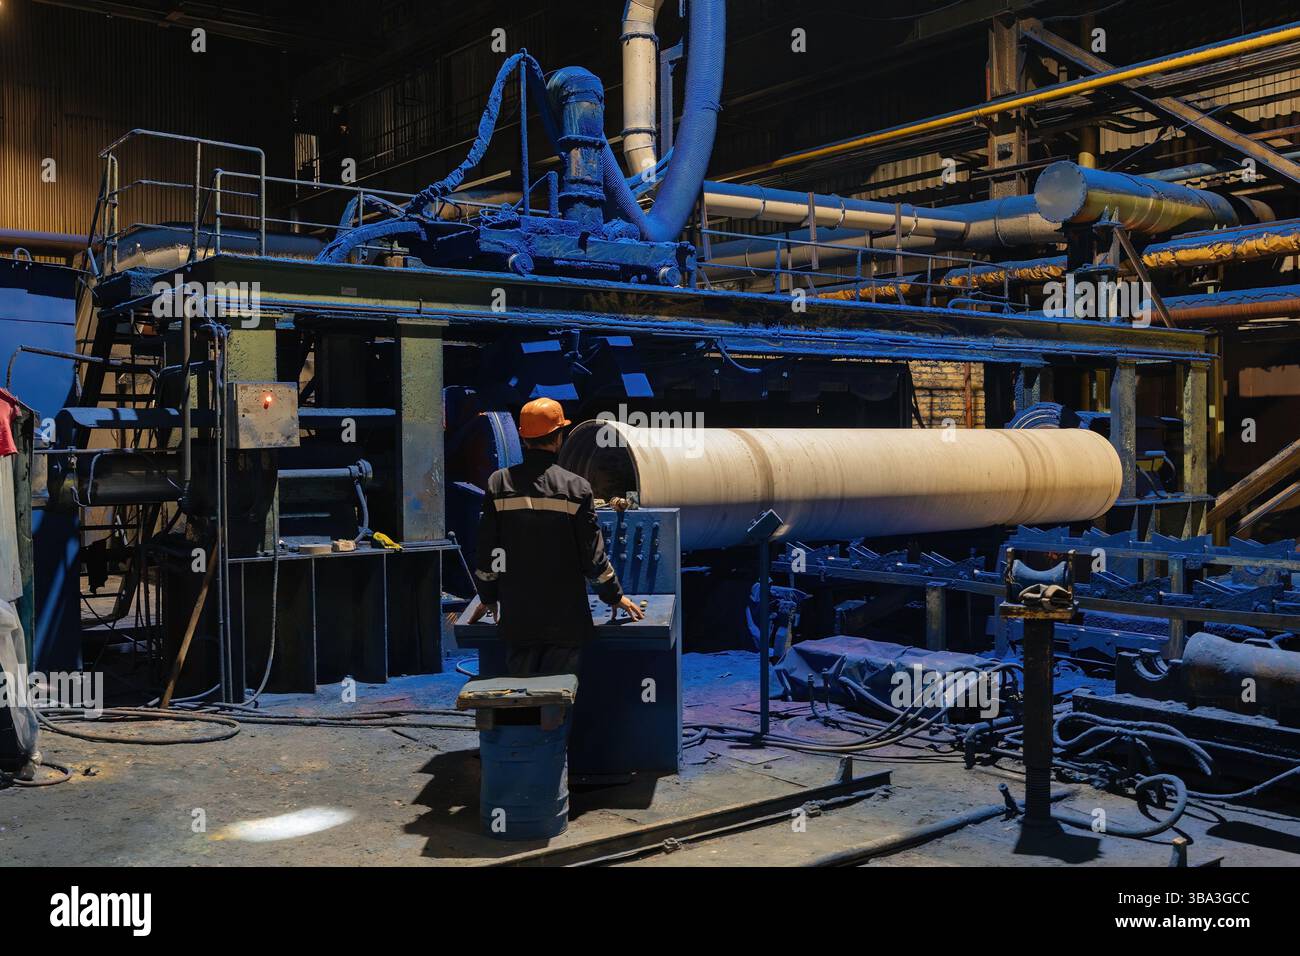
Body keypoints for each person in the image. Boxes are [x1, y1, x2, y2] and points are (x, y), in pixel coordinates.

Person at [468, 398, 643, 676]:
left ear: (523, 438)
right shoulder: (577, 488)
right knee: (559, 690)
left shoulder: (499, 484)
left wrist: (488, 597)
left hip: (518, 619)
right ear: (559, 437)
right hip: (565, 621)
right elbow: (593, 558)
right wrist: (614, 597)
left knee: (521, 690)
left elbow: (488, 551)